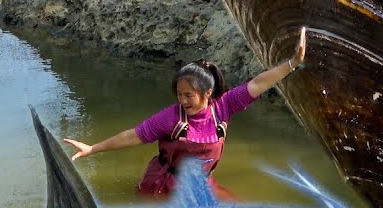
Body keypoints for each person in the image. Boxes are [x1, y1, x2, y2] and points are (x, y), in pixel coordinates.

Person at [64, 27, 308, 198]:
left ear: (208, 93)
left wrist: (292, 63)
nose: (182, 100)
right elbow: (131, 136)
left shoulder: (225, 106)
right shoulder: (171, 117)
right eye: (179, 94)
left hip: (200, 184)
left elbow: (258, 84)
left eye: (189, 95)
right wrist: (93, 149)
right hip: (164, 186)